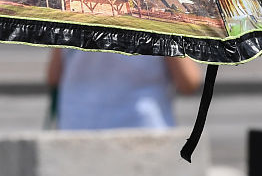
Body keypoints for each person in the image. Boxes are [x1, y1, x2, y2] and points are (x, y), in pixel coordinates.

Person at [45, 49, 202, 130]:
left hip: (78, 128)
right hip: (144, 131)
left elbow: (54, 76)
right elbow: (188, 82)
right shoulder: (157, 20)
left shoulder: (71, 10)